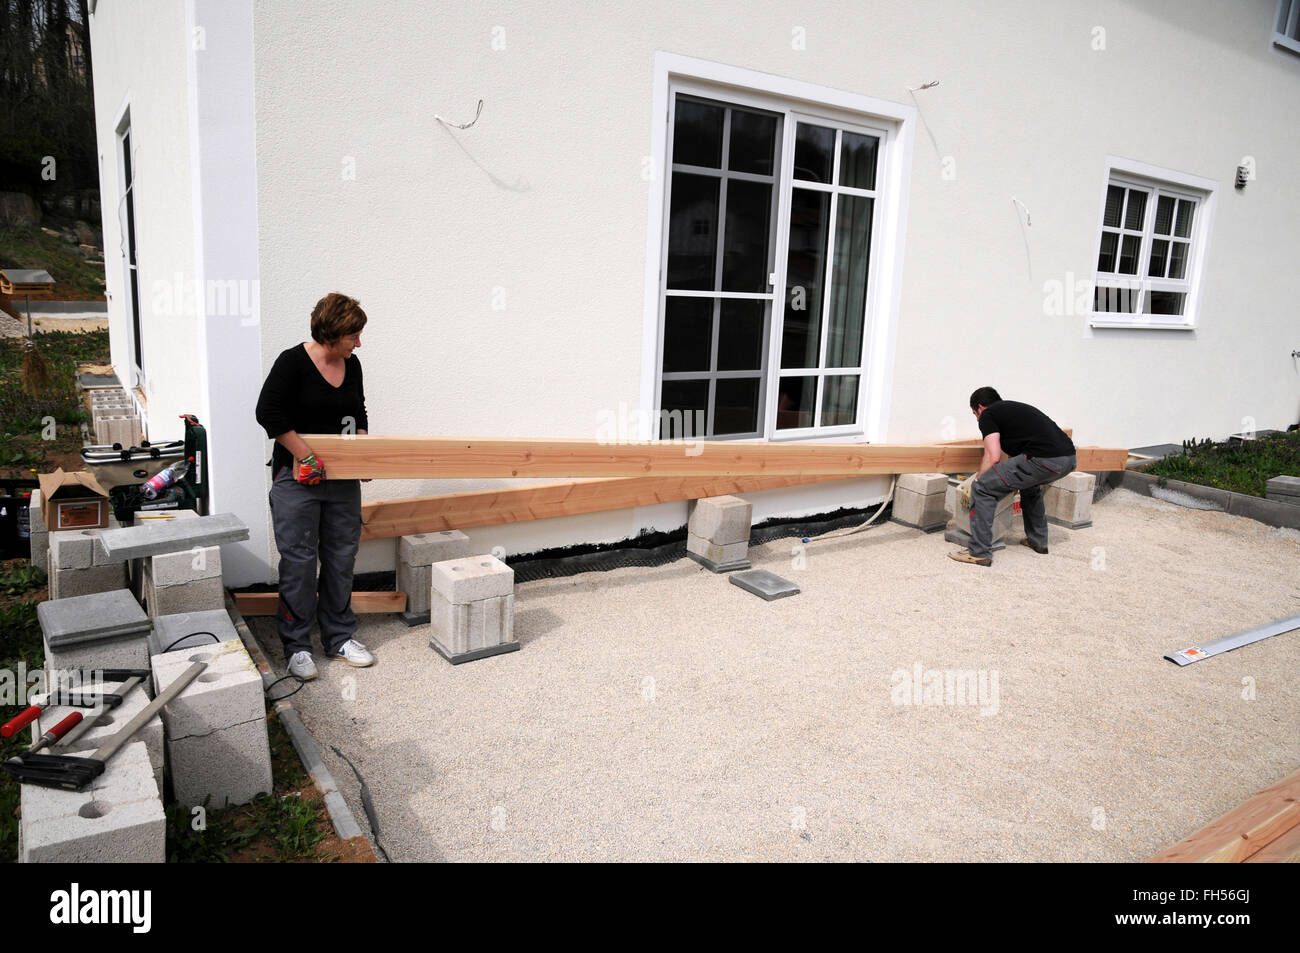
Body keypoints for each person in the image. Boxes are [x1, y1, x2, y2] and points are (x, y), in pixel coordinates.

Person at [255, 292, 376, 679]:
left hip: (340, 482)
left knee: (341, 557)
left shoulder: (352, 366)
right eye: (354, 335)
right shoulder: (292, 363)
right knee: (300, 562)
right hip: (297, 479)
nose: (359, 342)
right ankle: (297, 645)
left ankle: (339, 636)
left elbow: (357, 412)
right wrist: (305, 456)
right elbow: (268, 412)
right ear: (332, 333)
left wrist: (362, 453)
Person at [949, 386, 1077, 567]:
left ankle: (979, 552)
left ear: (979, 407)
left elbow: (992, 456)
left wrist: (977, 479)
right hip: (1068, 459)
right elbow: (1014, 457)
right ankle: (1038, 541)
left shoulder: (988, 415)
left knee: (983, 487)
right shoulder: (1013, 410)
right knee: (1029, 486)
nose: (977, 419)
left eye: (974, 414)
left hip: (1044, 459)